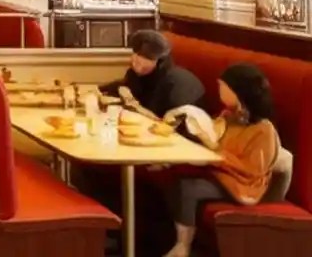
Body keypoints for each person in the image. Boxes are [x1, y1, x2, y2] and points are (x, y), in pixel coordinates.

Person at [162, 63, 280, 257]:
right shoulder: (228, 115)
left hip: (241, 184)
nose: (220, 91)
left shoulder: (263, 130)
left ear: (238, 92)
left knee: (187, 188)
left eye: (223, 87)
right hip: (219, 172)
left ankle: (183, 246)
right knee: (173, 177)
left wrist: (216, 154)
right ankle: (174, 239)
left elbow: (253, 170)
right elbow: (214, 135)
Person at [101, 30, 206, 122]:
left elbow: (163, 121)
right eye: (135, 53)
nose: (135, 59)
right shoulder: (137, 74)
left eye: (145, 57)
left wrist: (135, 106)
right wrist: (102, 91)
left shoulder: (171, 82)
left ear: (159, 61)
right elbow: (122, 86)